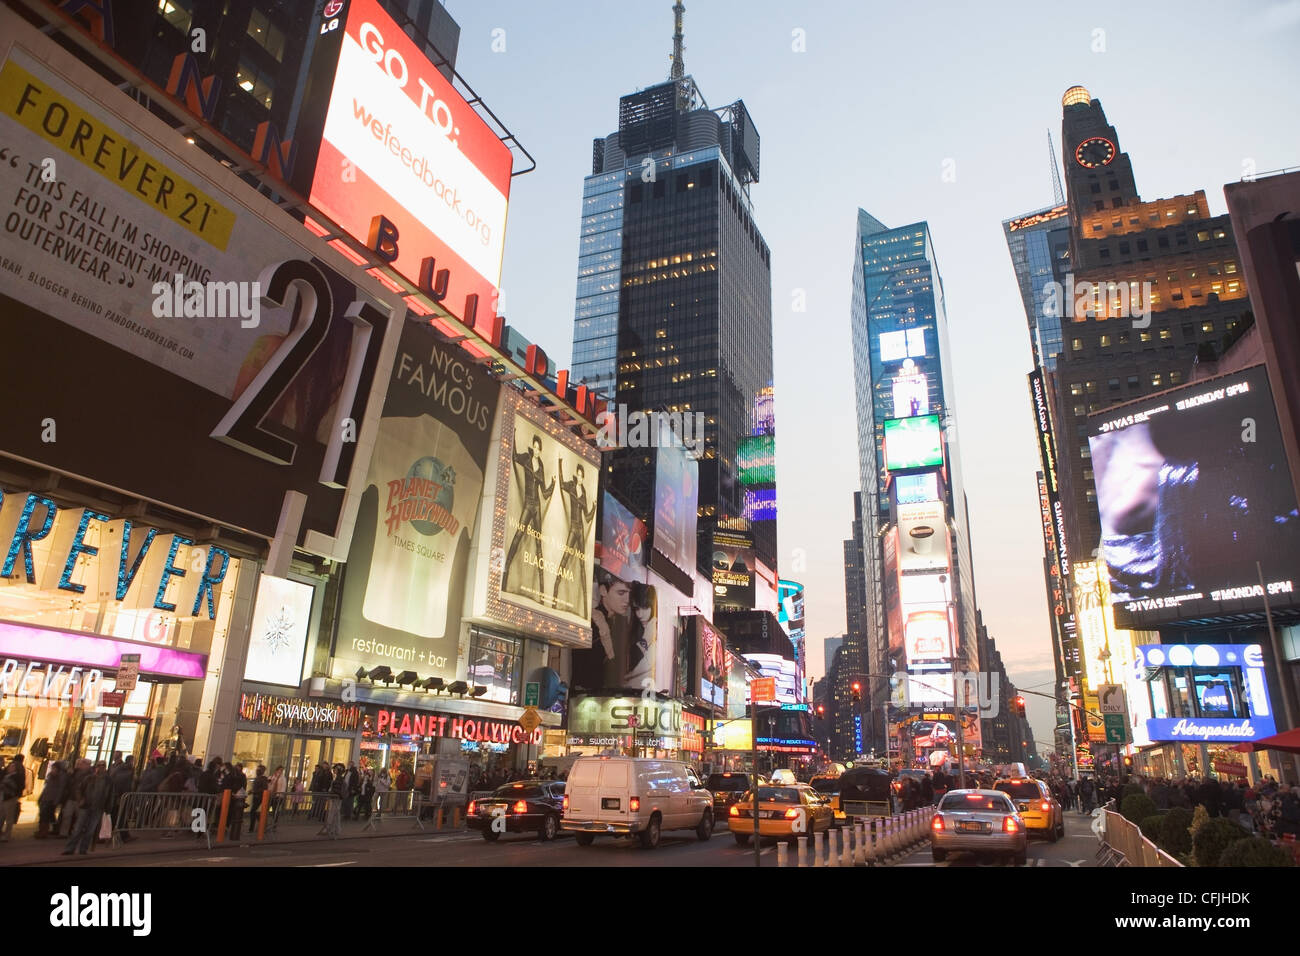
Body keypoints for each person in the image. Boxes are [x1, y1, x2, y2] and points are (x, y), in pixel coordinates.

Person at [502, 433, 555, 597]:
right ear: (533, 447)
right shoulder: (526, 458)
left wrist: (553, 484)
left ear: (541, 450)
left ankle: (541, 590)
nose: (537, 450)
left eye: (539, 448)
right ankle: (504, 575)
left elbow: (544, 493)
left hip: (537, 506)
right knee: (518, 536)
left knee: (539, 544)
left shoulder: (541, 466)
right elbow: (514, 456)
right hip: (528, 503)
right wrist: (513, 434)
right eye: (535, 447)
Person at [550, 459, 597, 610]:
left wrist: (594, 508)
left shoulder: (583, 494)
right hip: (573, 527)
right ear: (576, 475)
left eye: (582, 476)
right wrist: (559, 463)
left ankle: (585, 606)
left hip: (580, 529)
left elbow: (587, 517)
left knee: (582, 566)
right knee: (565, 558)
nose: (580, 478)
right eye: (579, 475)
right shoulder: (571, 486)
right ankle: (554, 597)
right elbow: (561, 483)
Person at [62, 763, 112, 856]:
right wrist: (81, 800)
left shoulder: (108, 781)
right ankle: (70, 848)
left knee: (90, 830)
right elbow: (79, 789)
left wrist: (108, 808)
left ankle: (83, 849)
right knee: (78, 828)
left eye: (103, 767)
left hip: (98, 807)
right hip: (86, 806)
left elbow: (110, 795)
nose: (100, 769)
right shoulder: (89, 778)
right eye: (99, 766)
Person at [36, 760, 68, 839]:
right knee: (43, 815)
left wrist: (56, 800)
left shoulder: (61, 776)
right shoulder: (51, 775)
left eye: (54, 768)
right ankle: (42, 830)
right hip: (46, 797)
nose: (53, 769)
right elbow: (46, 787)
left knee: (46, 816)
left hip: (52, 799)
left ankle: (44, 832)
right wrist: (41, 797)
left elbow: (60, 790)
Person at [0, 755, 25, 840]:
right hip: (4, 797)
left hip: (10, 798)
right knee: (2, 816)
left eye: (12, 767)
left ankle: (7, 835)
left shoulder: (17, 776)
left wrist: (13, 793)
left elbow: (19, 787)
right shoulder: (7, 775)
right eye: (10, 766)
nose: (10, 768)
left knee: (9, 818)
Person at [248, 766, 269, 831]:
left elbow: (264, 789)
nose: (257, 771)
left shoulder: (263, 779)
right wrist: (252, 791)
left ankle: (253, 827)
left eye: (258, 770)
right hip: (256, 796)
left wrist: (254, 791)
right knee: (253, 811)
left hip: (259, 797)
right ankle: (257, 824)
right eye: (257, 770)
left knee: (253, 811)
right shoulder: (257, 778)